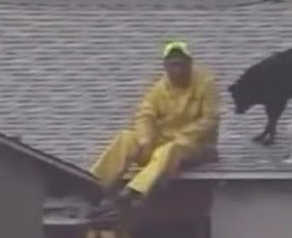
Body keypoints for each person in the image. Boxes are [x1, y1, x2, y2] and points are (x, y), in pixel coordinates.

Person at [89, 40, 219, 222]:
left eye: (181, 64)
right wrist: (145, 140)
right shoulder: (160, 88)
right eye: (173, 65)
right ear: (165, 66)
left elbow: (210, 120)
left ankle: (132, 193)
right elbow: (144, 114)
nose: (178, 70)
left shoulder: (205, 83)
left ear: (190, 63)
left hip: (197, 147)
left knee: (171, 148)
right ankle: (93, 185)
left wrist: (178, 135)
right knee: (126, 138)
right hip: (164, 145)